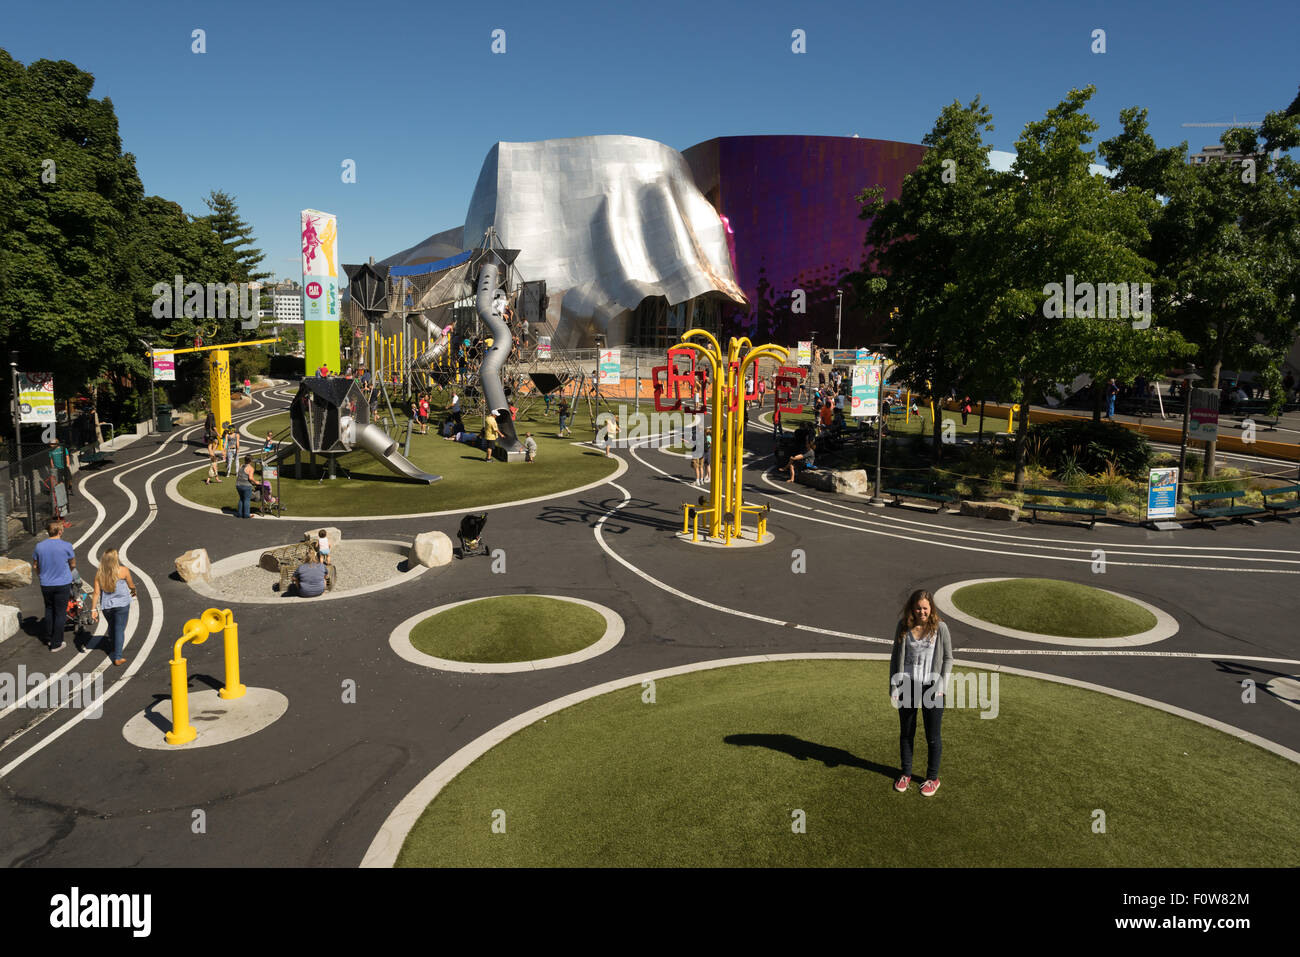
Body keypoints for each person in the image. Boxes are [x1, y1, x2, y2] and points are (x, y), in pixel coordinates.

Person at [889, 589, 952, 797]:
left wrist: (942, 685)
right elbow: (895, 657)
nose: (921, 611)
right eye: (918, 607)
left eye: (925, 608)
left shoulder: (940, 628)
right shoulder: (903, 626)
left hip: (932, 688)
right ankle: (906, 773)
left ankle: (933, 778)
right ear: (912, 608)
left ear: (931, 608)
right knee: (907, 733)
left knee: (932, 736)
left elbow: (948, 659)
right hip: (907, 685)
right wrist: (893, 686)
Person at [33, 520, 77, 652]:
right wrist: (67, 571)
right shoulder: (66, 546)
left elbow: (35, 565)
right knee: (60, 613)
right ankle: (56, 642)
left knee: (49, 609)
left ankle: (48, 636)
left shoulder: (39, 546)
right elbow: (73, 564)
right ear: (60, 531)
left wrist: (41, 575)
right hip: (62, 583)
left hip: (46, 583)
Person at [91, 548, 136, 666]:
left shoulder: (99, 574)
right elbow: (131, 584)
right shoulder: (123, 571)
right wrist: (133, 590)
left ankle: (112, 645)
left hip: (107, 606)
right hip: (121, 604)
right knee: (120, 629)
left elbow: (96, 593)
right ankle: (118, 656)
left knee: (112, 625)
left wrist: (93, 609)